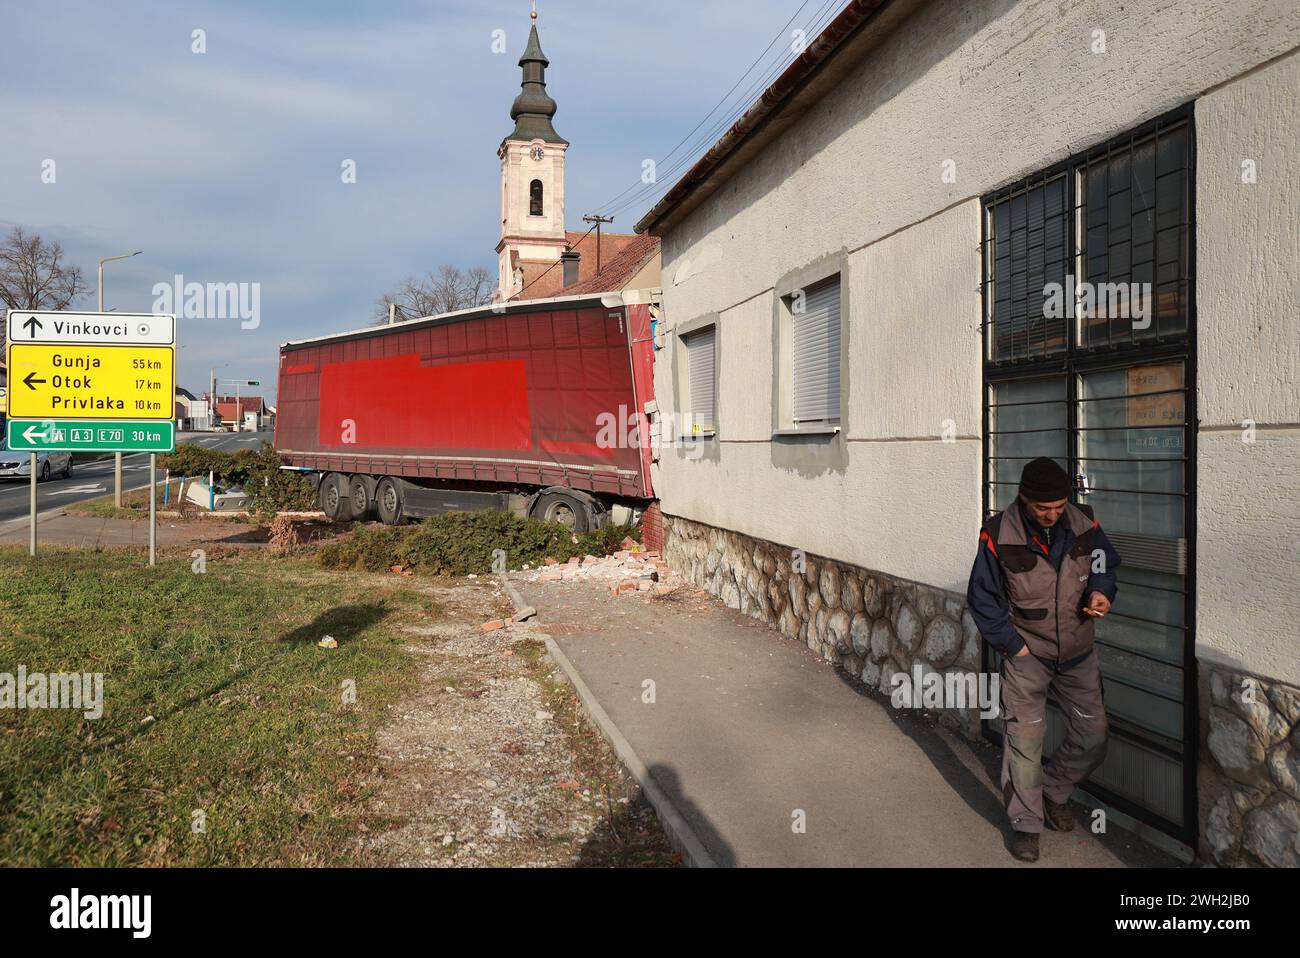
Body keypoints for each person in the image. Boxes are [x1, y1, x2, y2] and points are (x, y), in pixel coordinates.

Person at [966, 457, 1121, 862]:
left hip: (1078, 653)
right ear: (1023, 499)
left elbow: (1106, 564)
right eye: (1043, 509)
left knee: (1094, 735)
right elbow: (983, 597)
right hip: (1026, 655)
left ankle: (1053, 790)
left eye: (1059, 506)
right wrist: (1013, 647)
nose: (1053, 515)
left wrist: (1101, 592)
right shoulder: (998, 533)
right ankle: (1026, 825)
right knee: (1024, 743)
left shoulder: (1084, 522)